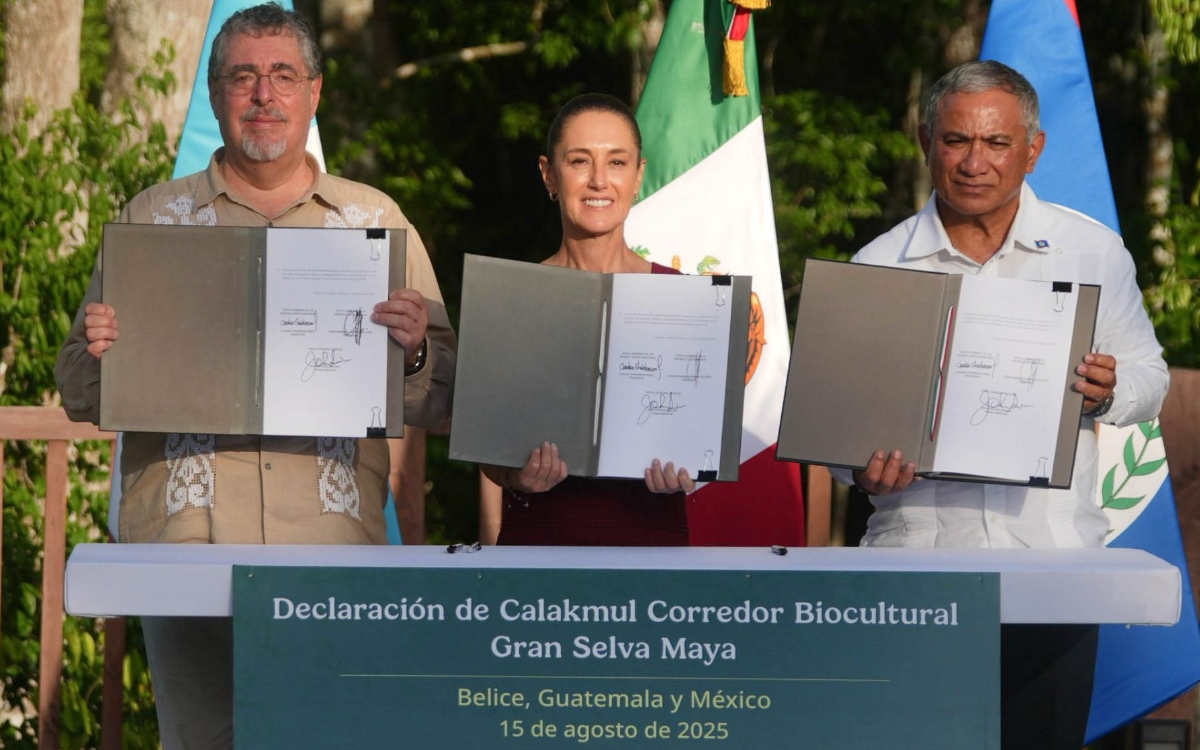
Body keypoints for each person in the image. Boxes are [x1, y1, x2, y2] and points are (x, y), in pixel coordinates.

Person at [54, 4, 455, 748]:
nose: (263, 94)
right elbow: (79, 394)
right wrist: (98, 352)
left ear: (315, 92)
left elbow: (449, 397)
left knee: (328, 738)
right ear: (215, 94)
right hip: (186, 549)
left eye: (282, 75)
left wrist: (417, 352)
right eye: (243, 76)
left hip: (329, 551)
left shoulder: (375, 224)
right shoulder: (153, 222)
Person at [843, 60, 1168, 750]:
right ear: (926, 140)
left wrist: (1111, 391)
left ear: (1033, 149)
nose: (974, 162)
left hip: (1053, 570)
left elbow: (1151, 379)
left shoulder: (1092, 252)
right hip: (916, 575)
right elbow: (839, 426)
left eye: (995, 143)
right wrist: (859, 469)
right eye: (956, 141)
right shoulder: (877, 266)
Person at [480, 93, 694, 546]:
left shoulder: (685, 299)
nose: (599, 181)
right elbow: (487, 451)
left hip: (652, 548)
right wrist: (516, 477)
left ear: (639, 175)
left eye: (617, 163)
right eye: (580, 161)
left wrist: (686, 466)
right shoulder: (511, 298)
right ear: (548, 175)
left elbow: (698, 436)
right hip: (541, 546)